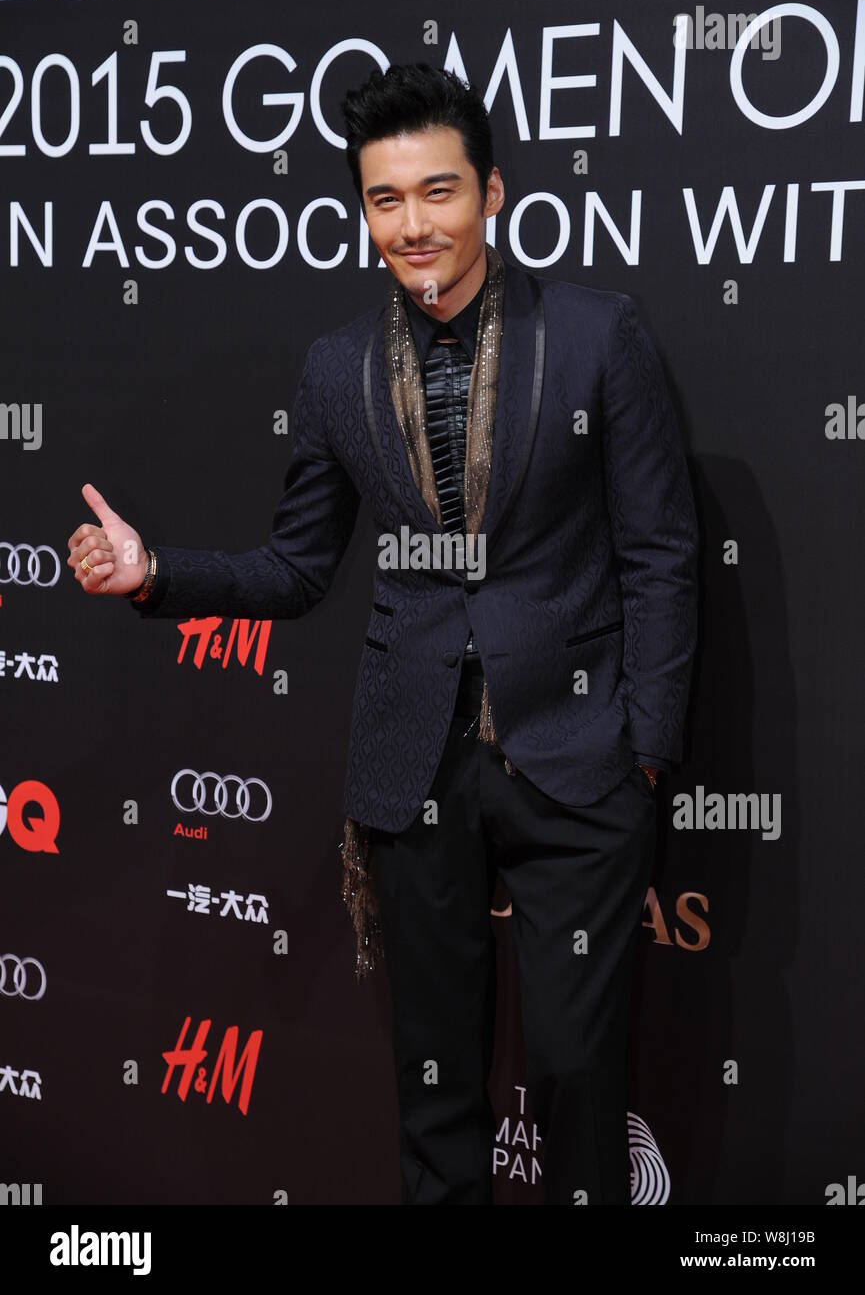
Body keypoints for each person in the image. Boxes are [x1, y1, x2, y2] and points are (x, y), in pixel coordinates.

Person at [67, 62, 698, 1206]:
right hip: (414, 769)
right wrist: (157, 571)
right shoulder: (336, 368)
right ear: (365, 211)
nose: (413, 226)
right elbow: (300, 565)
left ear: (492, 193)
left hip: (575, 759)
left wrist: (642, 751)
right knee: (435, 1086)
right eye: (385, 200)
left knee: (574, 1070)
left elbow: (661, 551)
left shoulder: (601, 337)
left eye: (437, 192)